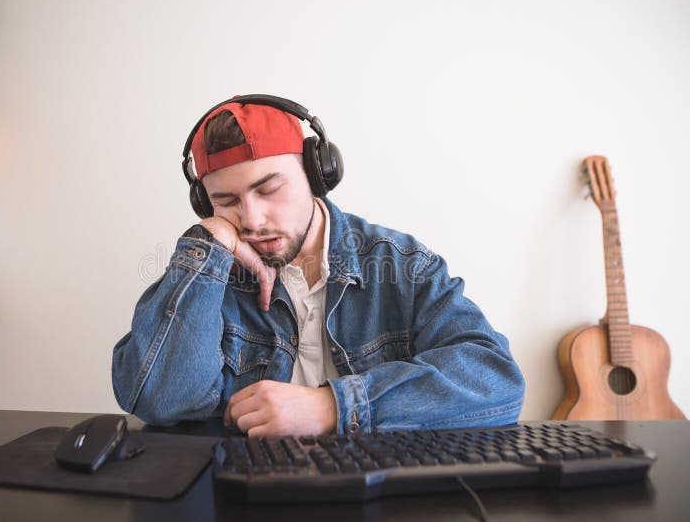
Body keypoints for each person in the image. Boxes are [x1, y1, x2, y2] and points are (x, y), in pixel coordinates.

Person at [112, 95, 524, 437]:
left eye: (268, 189)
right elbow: (160, 400)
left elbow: (495, 379)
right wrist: (209, 245)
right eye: (226, 202)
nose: (252, 220)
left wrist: (333, 406)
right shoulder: (213, 274)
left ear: (316, 173)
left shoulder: (402, 265)